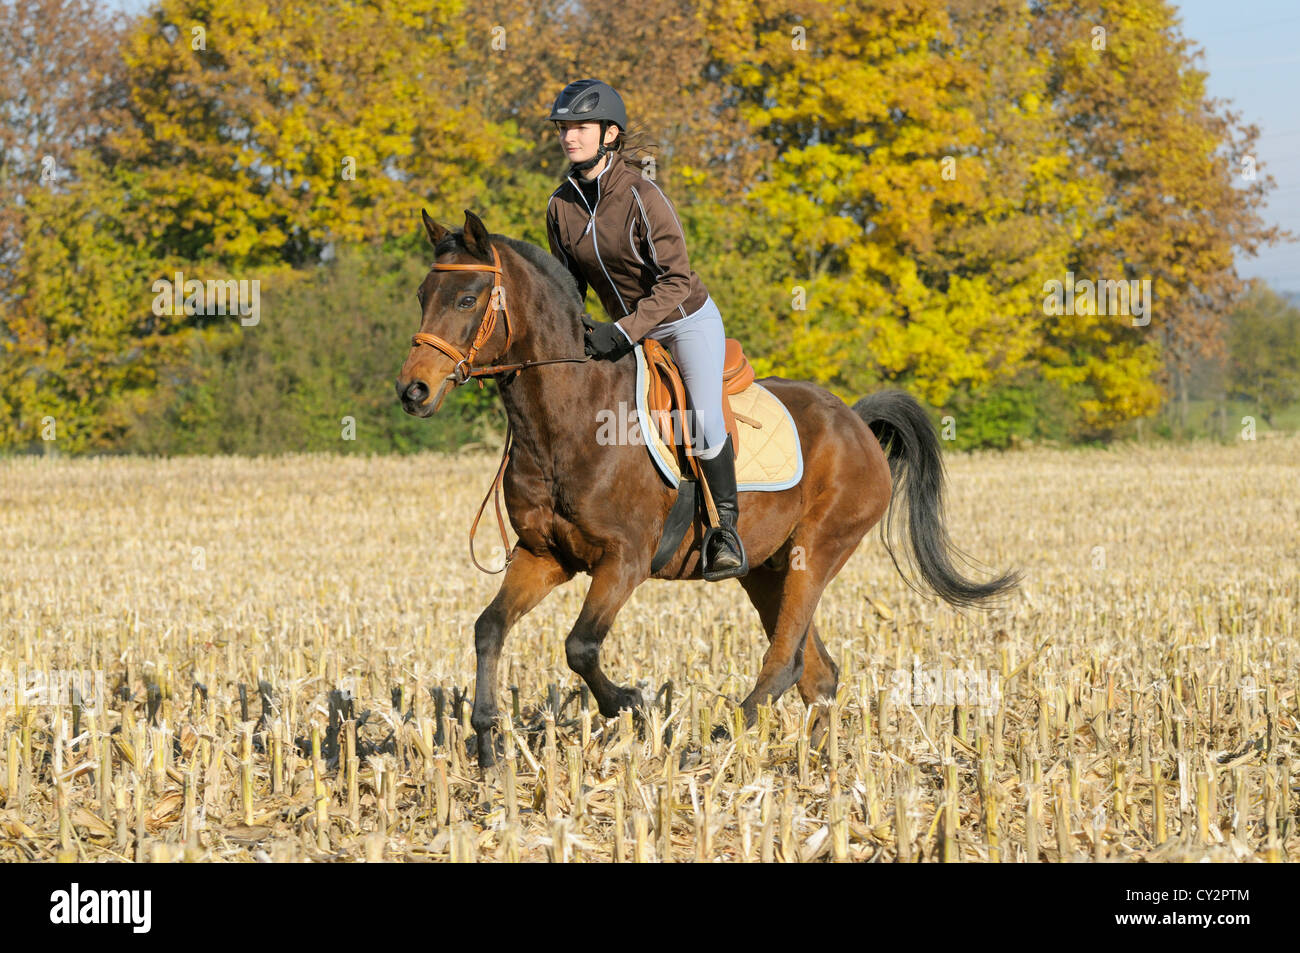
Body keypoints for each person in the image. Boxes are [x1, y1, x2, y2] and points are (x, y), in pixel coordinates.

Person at [544, 79, 747, 580]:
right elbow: (568, 288)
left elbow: (676, 280)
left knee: (700, 415)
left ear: (610, 134)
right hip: (625, 331)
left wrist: (624, 330)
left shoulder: (641, 194)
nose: (569, 136)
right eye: (564, 128)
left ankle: (726, 531)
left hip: (684, 322)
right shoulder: (560, 206)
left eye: (580, 128)